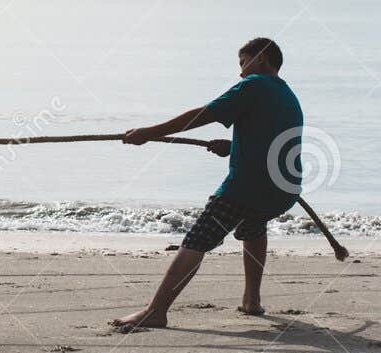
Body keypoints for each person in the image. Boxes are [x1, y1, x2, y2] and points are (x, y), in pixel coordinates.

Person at [109, 37, 302, 332]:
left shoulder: (253, 85)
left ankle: (156, 311)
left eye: (243, 63)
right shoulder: (287, 93)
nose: (240, 73)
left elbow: (203, 115)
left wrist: (149, 132)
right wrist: (233, 145)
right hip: (282, 190)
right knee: (253, 225)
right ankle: (252, 300)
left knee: (197, 239)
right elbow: (269, 134)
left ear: (261, 59)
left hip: (247, 187)